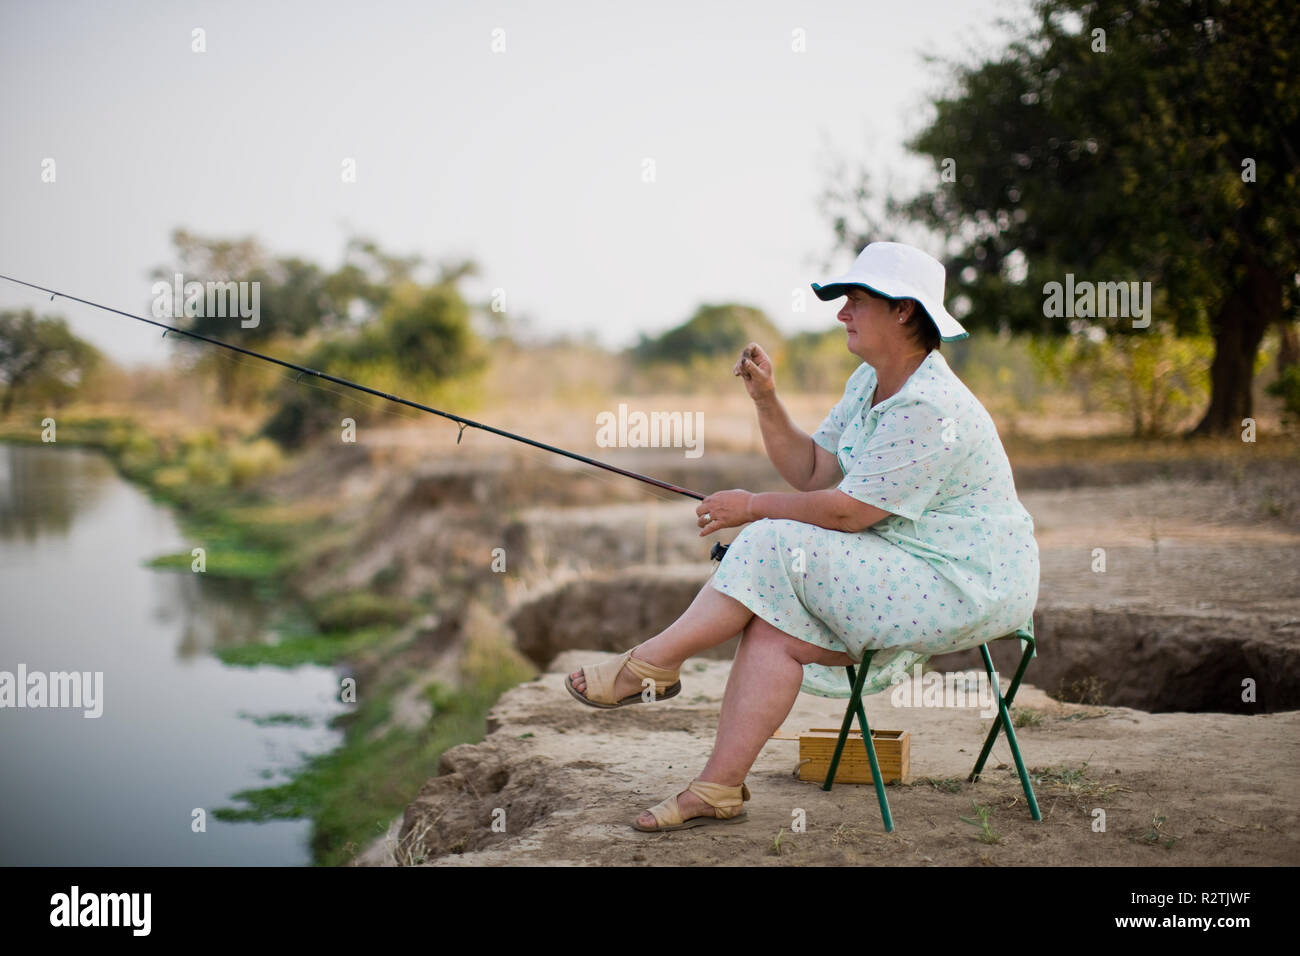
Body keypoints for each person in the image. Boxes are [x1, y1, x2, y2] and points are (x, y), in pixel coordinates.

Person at [565, 241, 1040, 832]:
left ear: (903, 311)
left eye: (856, 300)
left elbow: (847, 514)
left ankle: (650, 665)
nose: (842, 313)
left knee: (770, 539)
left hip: (964, 579)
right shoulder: (869, 383)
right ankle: (718, 788)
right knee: (772, 619)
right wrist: (766, 400)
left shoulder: (931, 406)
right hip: (902, 563)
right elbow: (815, 471)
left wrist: (751, 507)